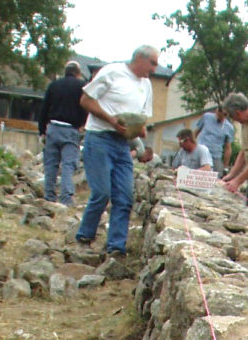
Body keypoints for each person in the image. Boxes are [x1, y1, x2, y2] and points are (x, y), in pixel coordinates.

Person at [75, 45, 159, 256]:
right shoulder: (112, 72)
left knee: (124, 196)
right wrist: (111, 120)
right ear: (139, 58)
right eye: (152, 63)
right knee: (102, 192)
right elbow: (85, 100)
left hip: (123, 143)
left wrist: (139, 130)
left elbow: (143, 117)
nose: (154, 69)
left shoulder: (146, 85)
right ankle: (85, 235)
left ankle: (116, 246)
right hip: (99, 137)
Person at [39, 61, 87, 207]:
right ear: (78, 73)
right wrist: (82, 124)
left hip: (53, 128)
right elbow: (85, 107)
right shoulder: (82, 87)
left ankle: (49, 196)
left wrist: (42, 130)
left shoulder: (53, 85)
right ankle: (66, 197)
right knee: (68, 164)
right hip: (71, 130)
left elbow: (44, 108)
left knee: (51, 164)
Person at [193, 106, 234, 174]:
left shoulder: (229, 127)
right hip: (201, 153)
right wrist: (194, 148)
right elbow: (195, 133)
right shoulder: (206, 117)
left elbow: (228, 148)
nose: (220, 118)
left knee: (217, 176)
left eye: (223, 116)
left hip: (215, 156)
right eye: (219, 115)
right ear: (217, 111)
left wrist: (225, 166)